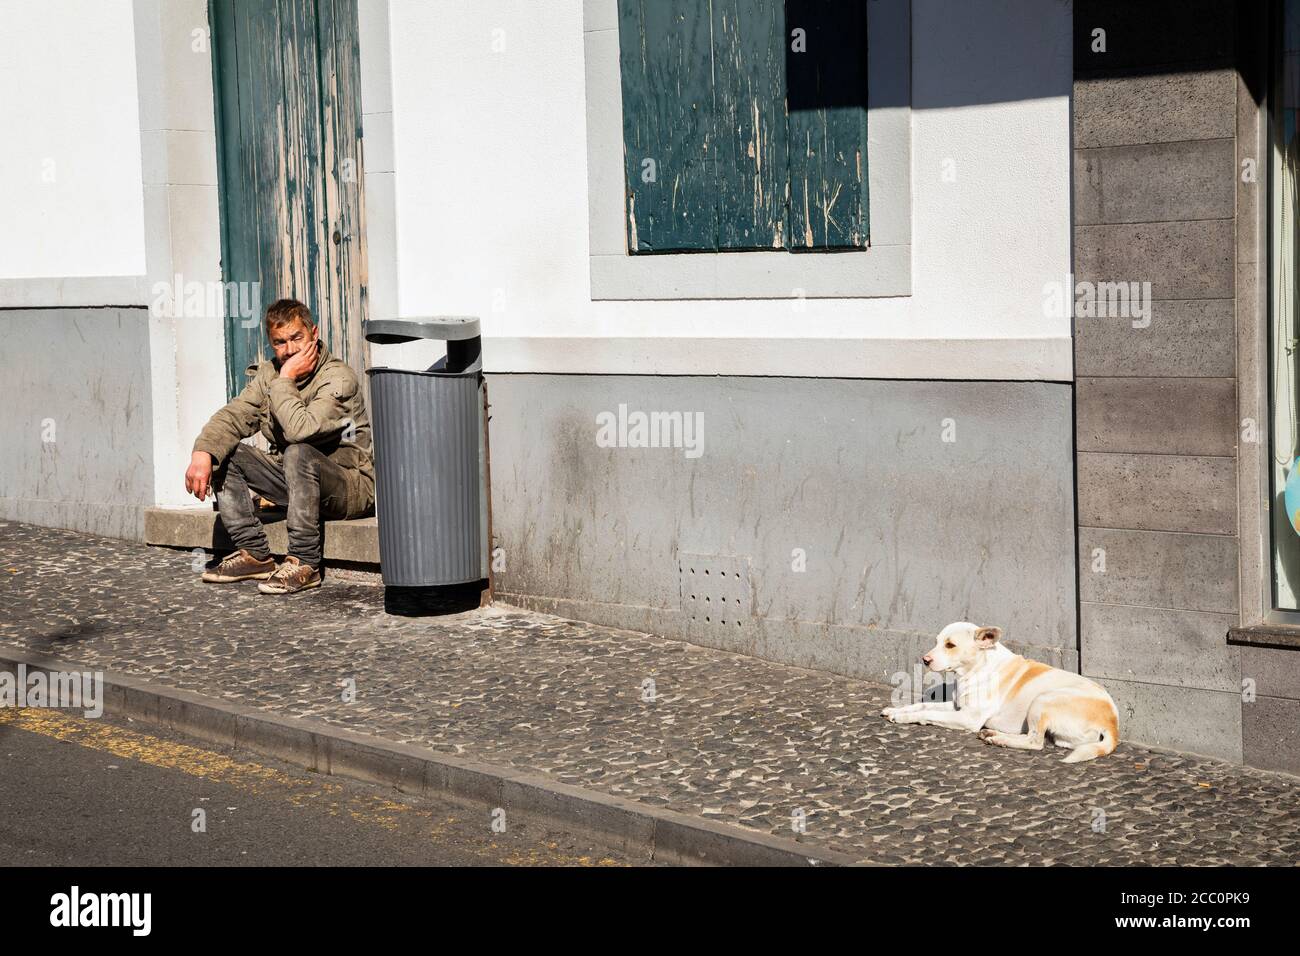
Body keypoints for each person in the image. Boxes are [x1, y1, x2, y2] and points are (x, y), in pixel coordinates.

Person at [184, 298, 374, 594]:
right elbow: (234, 415)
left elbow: (301, 429)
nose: (290, 349)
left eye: (297, 338)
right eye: (280, 342)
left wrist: (286, 379)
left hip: (348, 487)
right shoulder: (269, 375)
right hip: (296, 483)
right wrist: (203, 451)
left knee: (298, 452)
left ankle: (305, 562)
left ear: (314, 332)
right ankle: (255, 555)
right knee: (225, 451)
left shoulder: (338, 377)